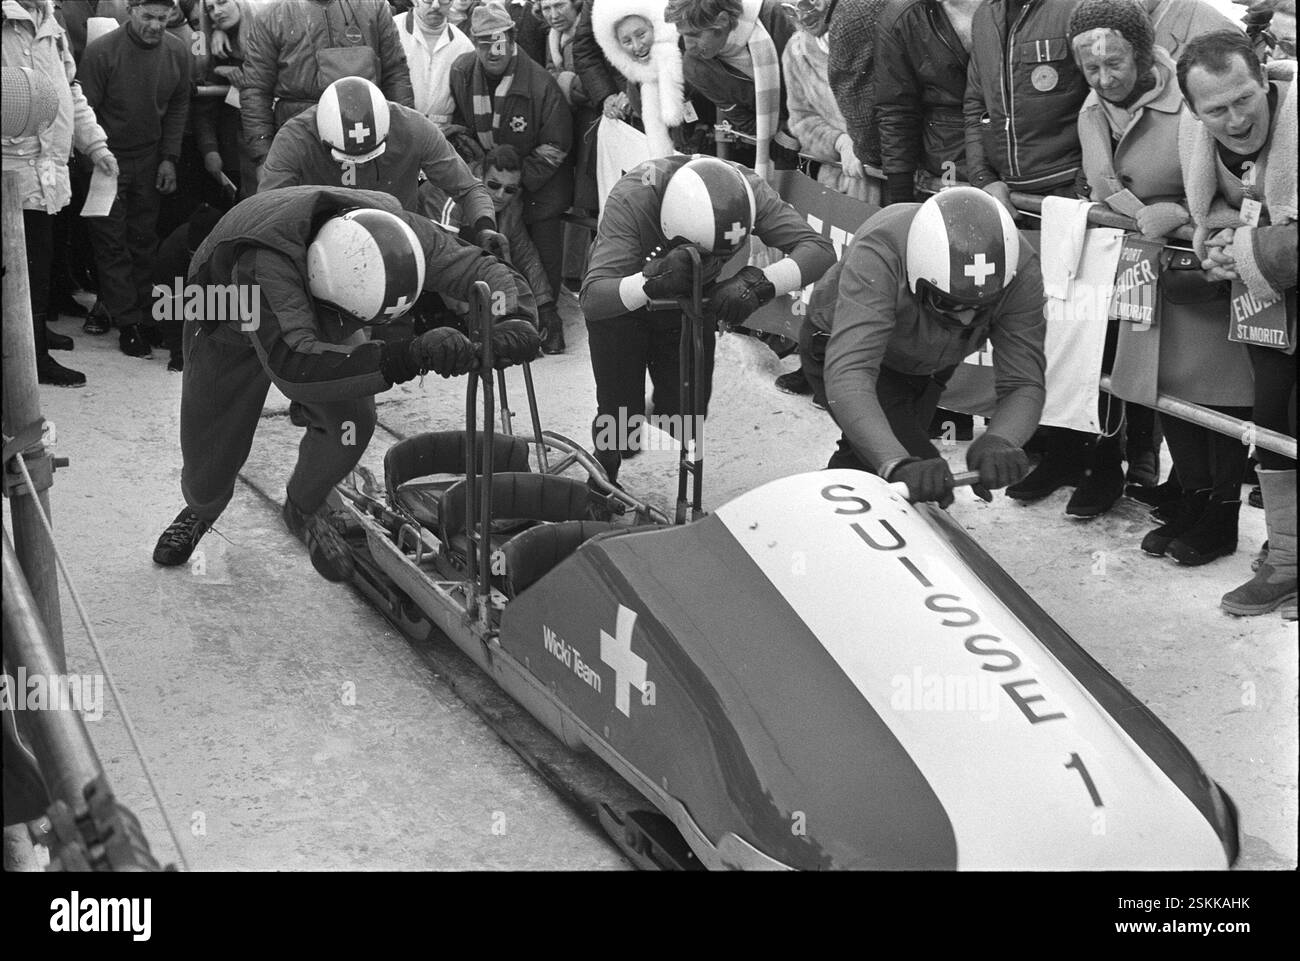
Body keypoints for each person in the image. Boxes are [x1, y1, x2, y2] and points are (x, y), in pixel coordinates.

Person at [151, 186, 541, 581]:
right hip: (227, 316)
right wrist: (408, 355)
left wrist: (511, 316)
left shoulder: (397, 235)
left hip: (320, 310)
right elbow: (295, 366)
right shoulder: (263, 263)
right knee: (211, 449)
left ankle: (304, 503)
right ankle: (201, 507)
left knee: (352, 420)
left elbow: (478, 266)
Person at [1070, 0, 1252, 562]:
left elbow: (1244, 192)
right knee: (1167, 390)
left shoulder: (1193, 105)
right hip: (1144, 272)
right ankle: (1192, 497)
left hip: (1202, 275)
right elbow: (1101, 182)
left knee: (1215, 396)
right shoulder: (1091, 110)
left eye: (1115, 63)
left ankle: (1220, 516)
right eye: (1092, 70)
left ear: (1145, 52)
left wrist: (1177, 211)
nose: (1105, 78)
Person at [581, 154, 836, 483]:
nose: (714, 261)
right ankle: (603, 475)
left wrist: (759, 285)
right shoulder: (633, 199)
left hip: (691, 303)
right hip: (623, 304)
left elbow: (819, 249)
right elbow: (593, 299)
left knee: (686, 414)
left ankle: (640, 414)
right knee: (619, 421)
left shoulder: (746, 192)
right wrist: (650, 282)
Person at [810, 187, 1045, 506]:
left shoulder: (1022, 269)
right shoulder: (880, 252)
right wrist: (898, 463)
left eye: (982, 308)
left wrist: (1001, 438)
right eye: (948, 304)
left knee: (872, 457)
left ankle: (830, 515)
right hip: (840, 346)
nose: (966, 320)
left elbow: (1023, 381)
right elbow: (851, 372)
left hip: (928, 364)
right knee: (919, 476)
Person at [1177, 30, 1296, 617]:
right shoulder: (1194, 134)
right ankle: (1289, 564)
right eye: (1215, 109)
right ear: (1196, 112)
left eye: (1245, 98)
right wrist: (1221, 241)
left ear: (1266, 76)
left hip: (1268, 273)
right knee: (1273, 418)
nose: (1235, 118)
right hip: (1270, 297)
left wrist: (1244, 248)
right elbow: (1213, 214)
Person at [258, 76, 506, 258]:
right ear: (322, 137)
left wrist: (485, 227)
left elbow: (468, 188)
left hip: (393, 246)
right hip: (321, 246)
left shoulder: (414, 129)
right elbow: (269, 210)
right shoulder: (295, 138)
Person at [3, 0, 118, 387]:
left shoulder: (50, 21)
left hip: (48, 167)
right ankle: (31, 358)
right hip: (11, 170)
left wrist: (96, 146)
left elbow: (71, 90)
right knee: (23, 271)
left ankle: (33, 336)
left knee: (40, 263)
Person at [77, 0, 189, 360]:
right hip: (107, 160)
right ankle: (127, 323)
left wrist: (169, 157)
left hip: (149, 156)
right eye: (148, 17)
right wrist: (95, 159)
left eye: (163, 18)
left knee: (144, 238)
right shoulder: (101, 53)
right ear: (132, 11)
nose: (155, 25)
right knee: (111, 241)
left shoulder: (177, 51)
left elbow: (178, 105)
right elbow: (85, 111)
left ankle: (145, 314)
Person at [447, 2, 573, 303]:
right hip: (488, 177)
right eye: (484, 42)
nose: (493, 51)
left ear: (513, 39)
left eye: (500, 41)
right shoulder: (462, 72)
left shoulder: (540, 83)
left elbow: (556, 145)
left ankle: (547, 313)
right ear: (474, 42)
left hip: (537, 184)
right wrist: (483, 171)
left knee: (539, 249)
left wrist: (517, 181)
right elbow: (461, 124)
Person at [239, 0, 414, 169]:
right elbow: (255, 90)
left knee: (362, 198)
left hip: (367, 139)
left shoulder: (374, 7)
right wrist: (262, 155)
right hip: (301, 142)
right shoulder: (271, 16)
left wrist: (403, 139)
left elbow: (395, 74)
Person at [665, 0, 800, 177]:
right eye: (683, 34)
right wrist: (783, 134)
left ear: (721, 20)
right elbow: (743, 119)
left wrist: (795, 129)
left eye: (695, 34)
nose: (688, 46)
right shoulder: (695, 66)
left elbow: (816, 79)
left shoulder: (773, 16)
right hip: (780, 146)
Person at [875, 0, 980, 206]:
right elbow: (896, 110)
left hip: (1022, 162)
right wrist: (900, 195)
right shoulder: (902, 17)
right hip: (949, 164)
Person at [780, 0, 868, 200]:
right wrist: (840, 142)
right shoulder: (796, 51)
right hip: (840, 182)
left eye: (808, 4)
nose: (802, 17)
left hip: (890, 177)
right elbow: (801, 119)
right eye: (790, 9)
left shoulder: (869, 30)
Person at [592, 0, 686, 158]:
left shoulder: (684, 57)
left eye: (641, 35)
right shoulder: (635, 82)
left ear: (654, 27)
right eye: (627, 41)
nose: (637, 46)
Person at [192, 0, 259, 200]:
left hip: (271, 148)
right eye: (210, 9)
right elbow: (204, 112)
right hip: (235, 157)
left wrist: (239, 73)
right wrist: (209, 150)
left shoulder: (268, 35)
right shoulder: (216, 48)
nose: (216, 12)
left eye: (222, 2)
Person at [825, 0, 889, 183]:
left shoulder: (853, 13)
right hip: (945, 151)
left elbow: (855, 95)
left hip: (896, 159)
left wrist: (868, 153)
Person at [395, 0, 475, 126]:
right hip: (398, 127)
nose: (436, 5)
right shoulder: (393, 30)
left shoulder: (464, 46)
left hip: (443, 135)